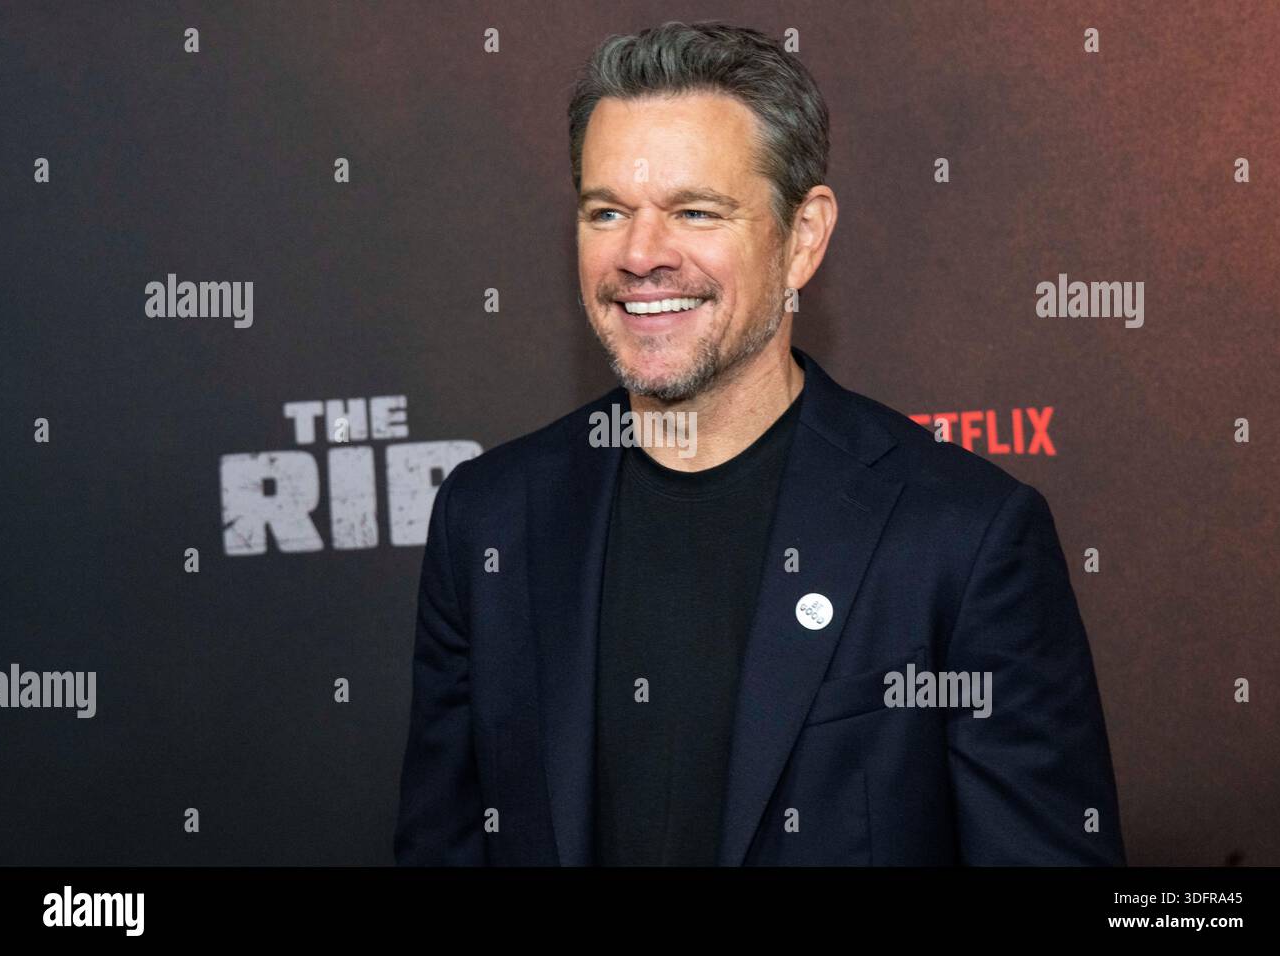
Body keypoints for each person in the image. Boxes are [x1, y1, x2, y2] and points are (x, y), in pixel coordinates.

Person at [394, 20, 1126, 866]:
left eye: (694, 211)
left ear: (803, 238)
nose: (639, 255)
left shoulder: (963, 536)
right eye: (607, 213)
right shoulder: (488, 520)